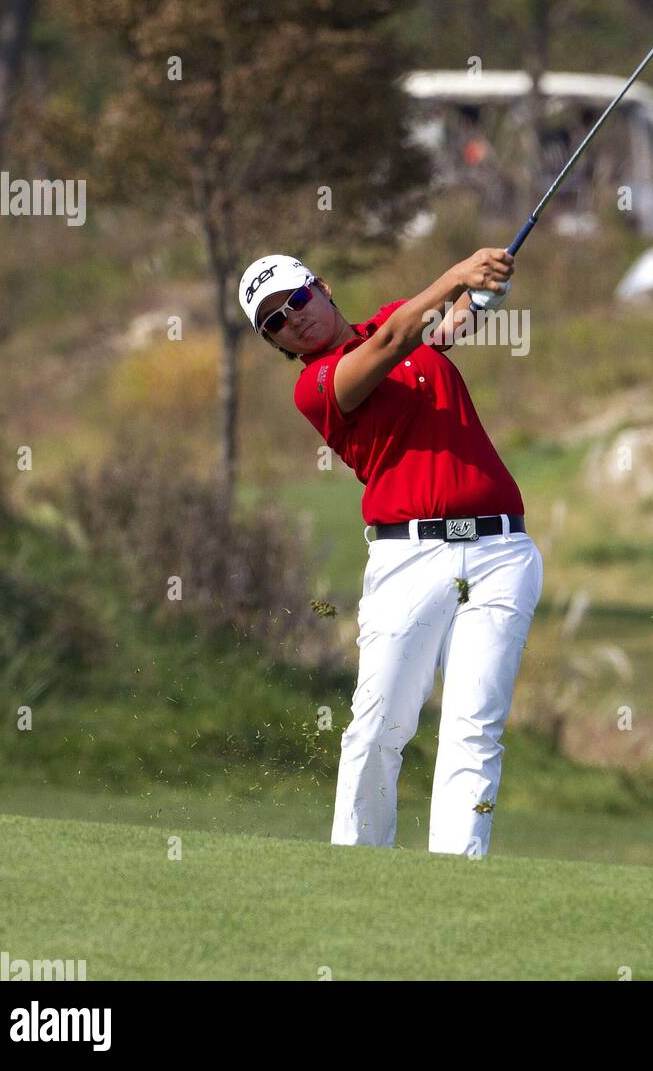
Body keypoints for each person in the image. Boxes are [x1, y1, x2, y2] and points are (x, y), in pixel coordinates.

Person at [237, 249, 543, 858]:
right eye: (274, 322)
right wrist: (456, 273)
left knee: (474, 728)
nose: (292, 320)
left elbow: (445, 325)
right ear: (276, 344)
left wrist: (482, 292)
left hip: (501, 552)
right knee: (379, 729)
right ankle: (357, 866)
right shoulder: (319, 384)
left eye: (297, 301)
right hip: (410, 561)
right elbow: (394, 344)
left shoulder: (394, 325)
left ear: (322, 289)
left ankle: (455, 879)